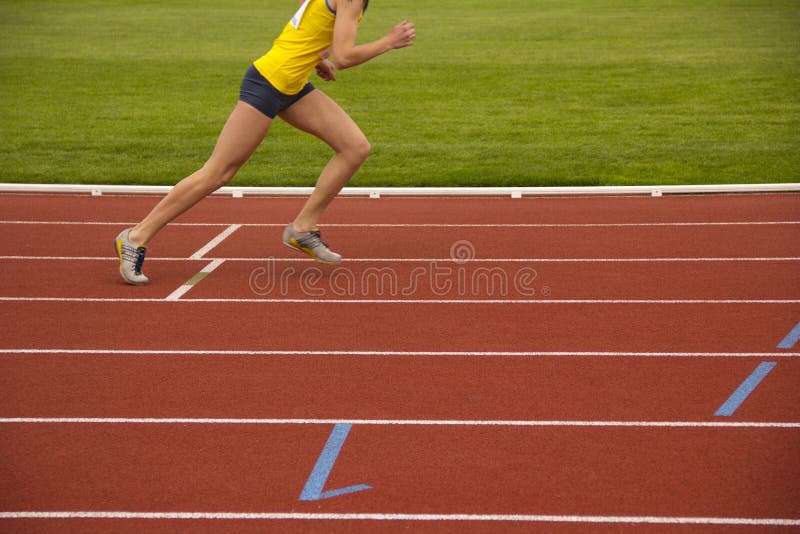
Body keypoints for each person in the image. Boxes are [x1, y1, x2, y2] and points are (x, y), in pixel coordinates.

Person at [114, 0, 416, 285]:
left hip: (292, 84)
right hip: (268, 82)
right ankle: (136, 236)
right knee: (218, 172)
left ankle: (302, 229)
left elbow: (306, 17)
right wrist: (389, 41)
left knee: (354, 148)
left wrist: (316, 56)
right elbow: (345, 57)